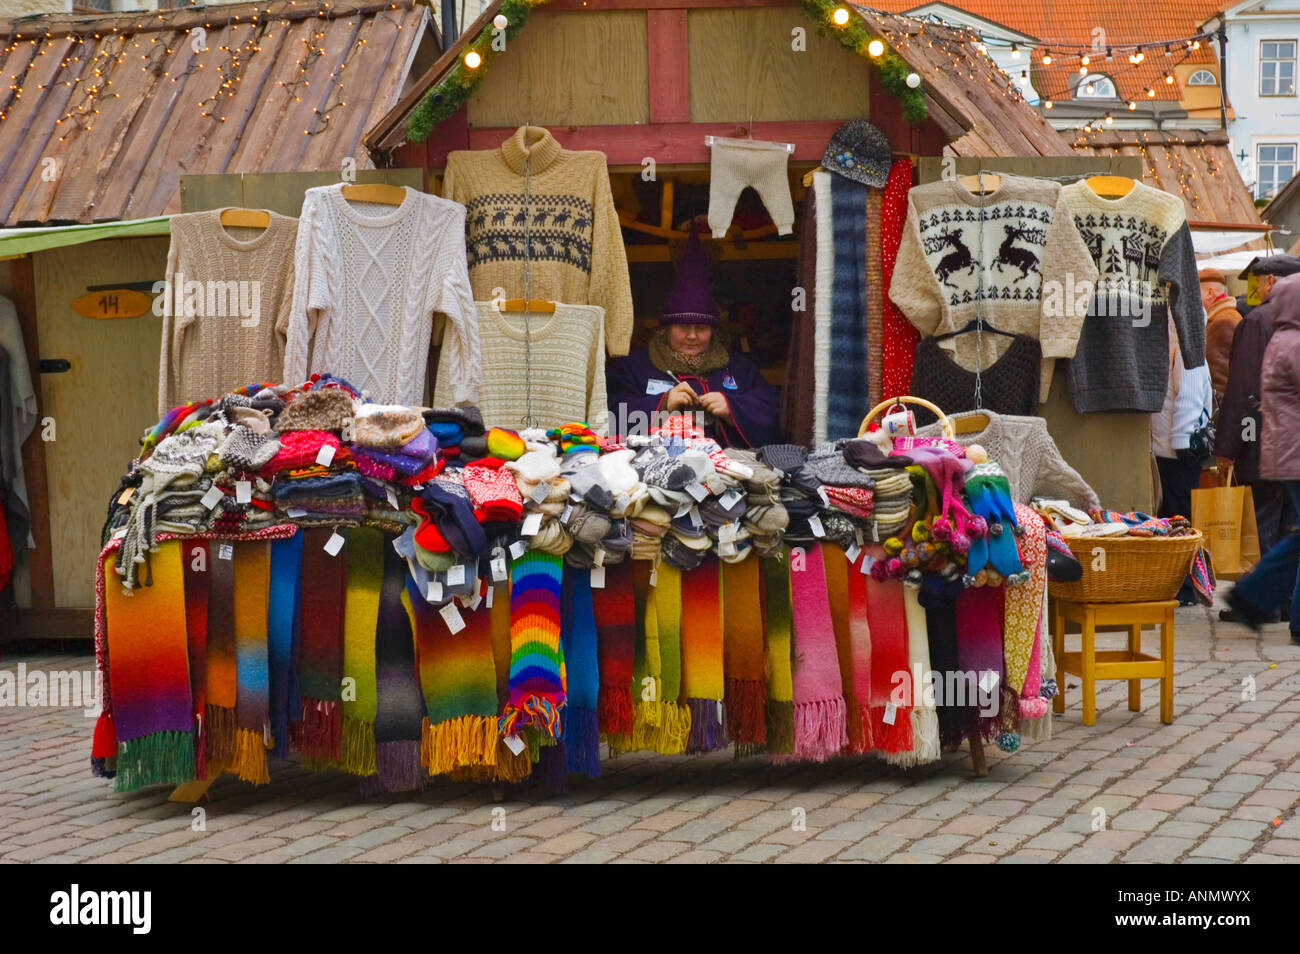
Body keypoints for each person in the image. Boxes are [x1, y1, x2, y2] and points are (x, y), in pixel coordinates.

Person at [606, 226, 781, 447]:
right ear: (666, 329)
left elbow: (775, 416)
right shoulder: (633, 367)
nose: (692, 336)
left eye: (701, 328)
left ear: (714, 332)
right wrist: (662, 404)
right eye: (682, 327)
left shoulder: (740, 370)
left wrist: (731, 408)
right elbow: (608, 417)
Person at [1224, 271, 1300, 646]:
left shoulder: (1279, 337)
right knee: (1288, 530)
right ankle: (1254, 597)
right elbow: (1241, 390)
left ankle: (1263, 600)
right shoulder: (1293, 342)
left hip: (1283, 454)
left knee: (1295, 533)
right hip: (1293, 455)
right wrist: (1228, 446)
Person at [1215, 253, 1300, 556]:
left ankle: (1261, 602)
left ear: (1271, 282)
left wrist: (1229, 447)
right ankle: (1284, 603)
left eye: (1258, 283)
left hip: (1265, 447)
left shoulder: (1258, 321)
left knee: (1261, 528)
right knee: (1290, 532)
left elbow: (1244, 390)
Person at [1199, 268, 1242, 402]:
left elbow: (1220, 381)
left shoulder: (1224, 321)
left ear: (1210, 293)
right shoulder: (1221, 318)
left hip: (1219, 413)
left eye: (1193, 293)